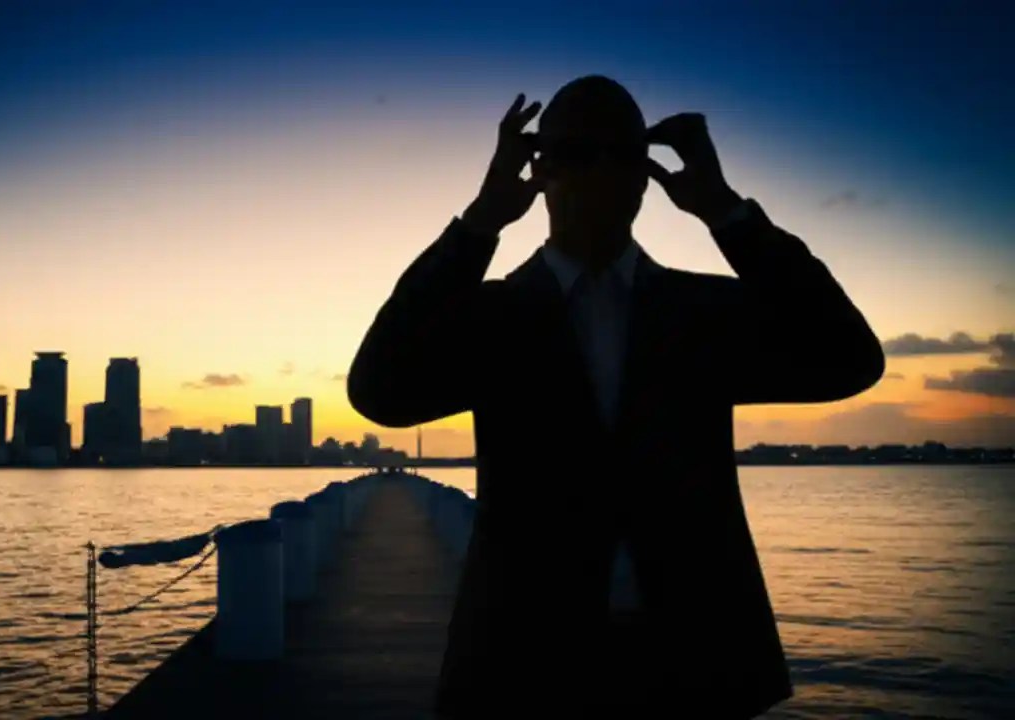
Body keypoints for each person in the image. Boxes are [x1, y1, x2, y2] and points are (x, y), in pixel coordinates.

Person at [346, 75, 885, 718]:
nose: (600, 171)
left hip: (695, 663)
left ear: (646, 176)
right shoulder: (493, 318)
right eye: (577, 152)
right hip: (526, 662)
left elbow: (848, 358)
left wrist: (726, 211)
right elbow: (379, 389)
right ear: (540, 170)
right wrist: (480, 222)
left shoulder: (704, 313)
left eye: (623, 154)